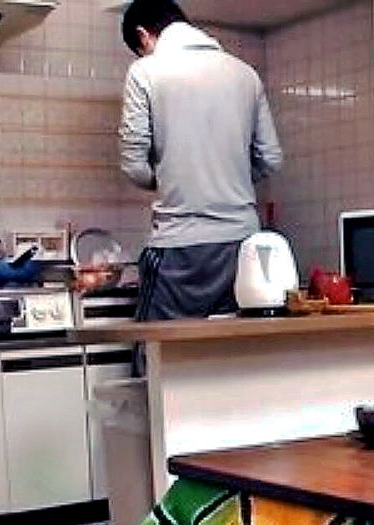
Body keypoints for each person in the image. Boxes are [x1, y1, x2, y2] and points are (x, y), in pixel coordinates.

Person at [118, 0, 282, 329]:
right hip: (242, 244)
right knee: (227, 362)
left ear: (143, 35)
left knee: (155, 356)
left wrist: (169, 176)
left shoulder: (145, 71)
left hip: (179, 246)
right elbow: (271, 158)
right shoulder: (245, 74)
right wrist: (229, 176)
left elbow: (133, 163)